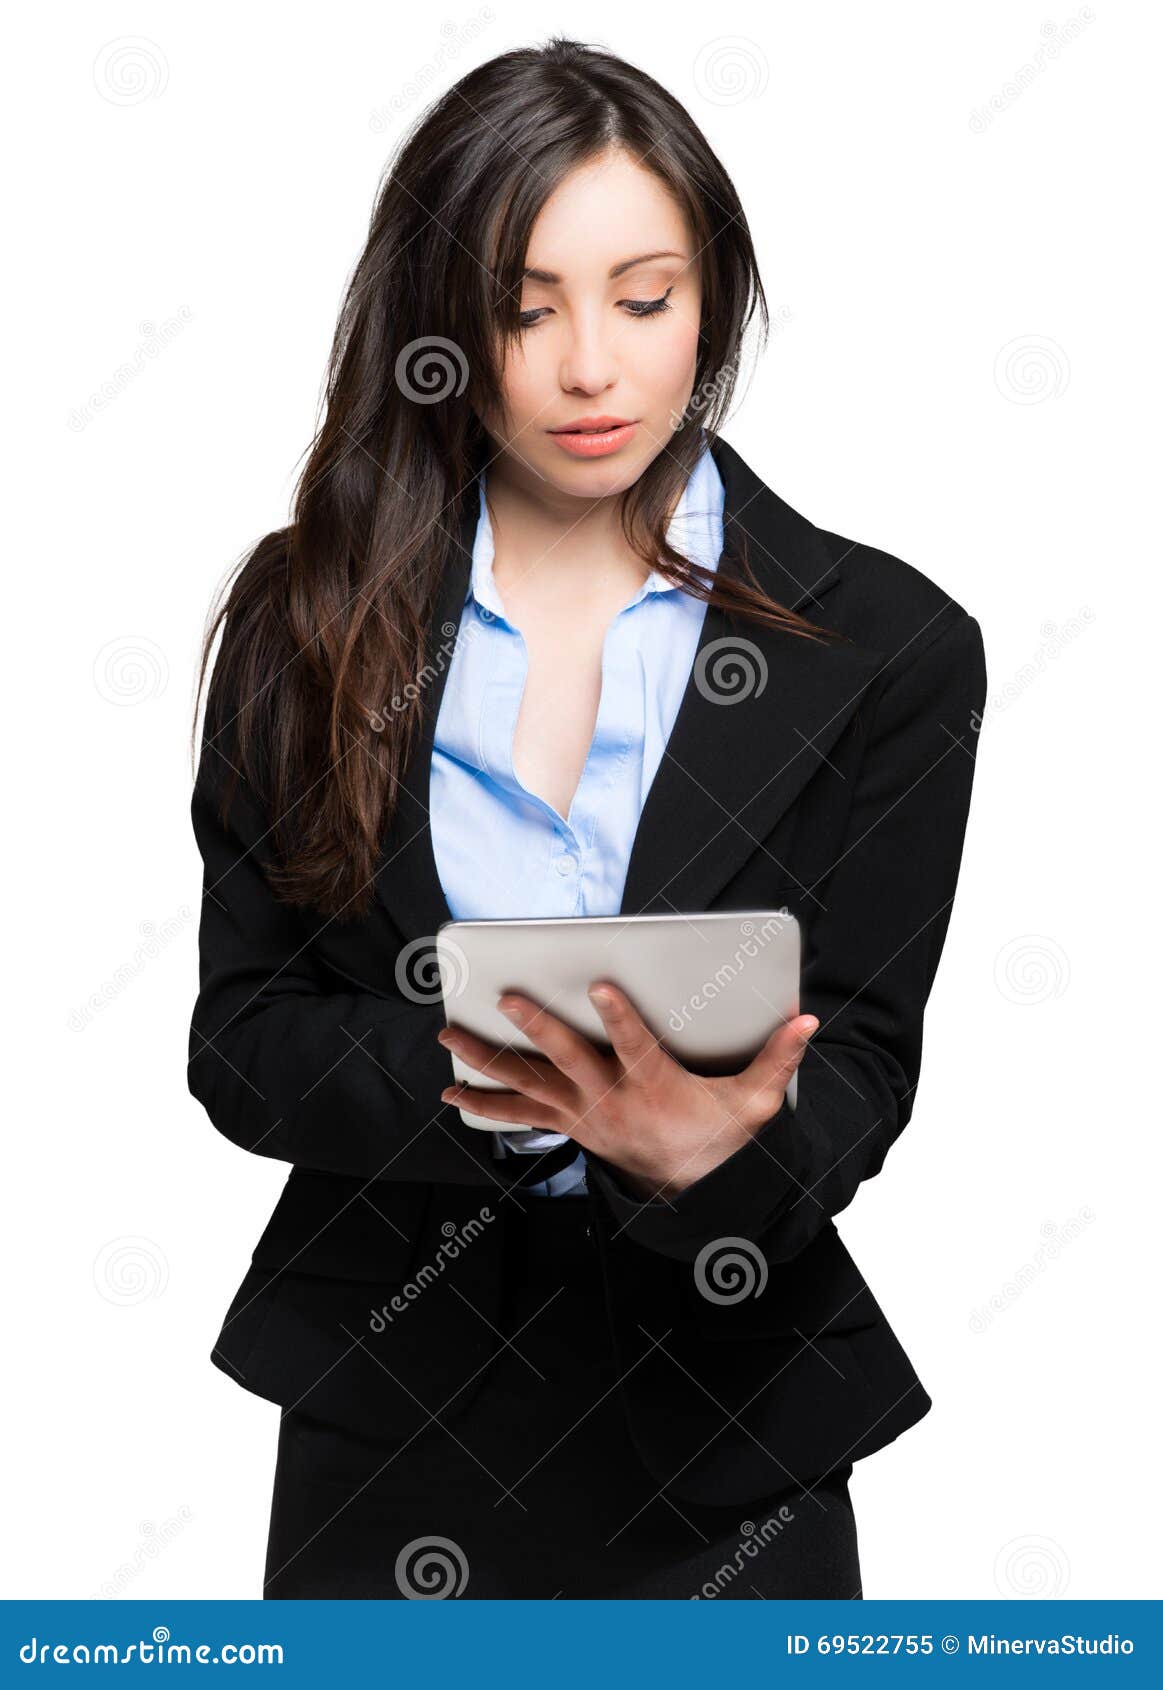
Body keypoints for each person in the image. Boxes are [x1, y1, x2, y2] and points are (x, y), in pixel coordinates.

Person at [188, 36, 986, 1600]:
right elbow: (244, 1039)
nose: (591, 369)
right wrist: (507, 1077)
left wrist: (712, 1153)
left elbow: (864, 1062)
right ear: (440, 325)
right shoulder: (310, 617)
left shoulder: (890, 647)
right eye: (523, 306)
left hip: (734, 1428)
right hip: (391, 1416)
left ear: (713, 299)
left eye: (644, 297)